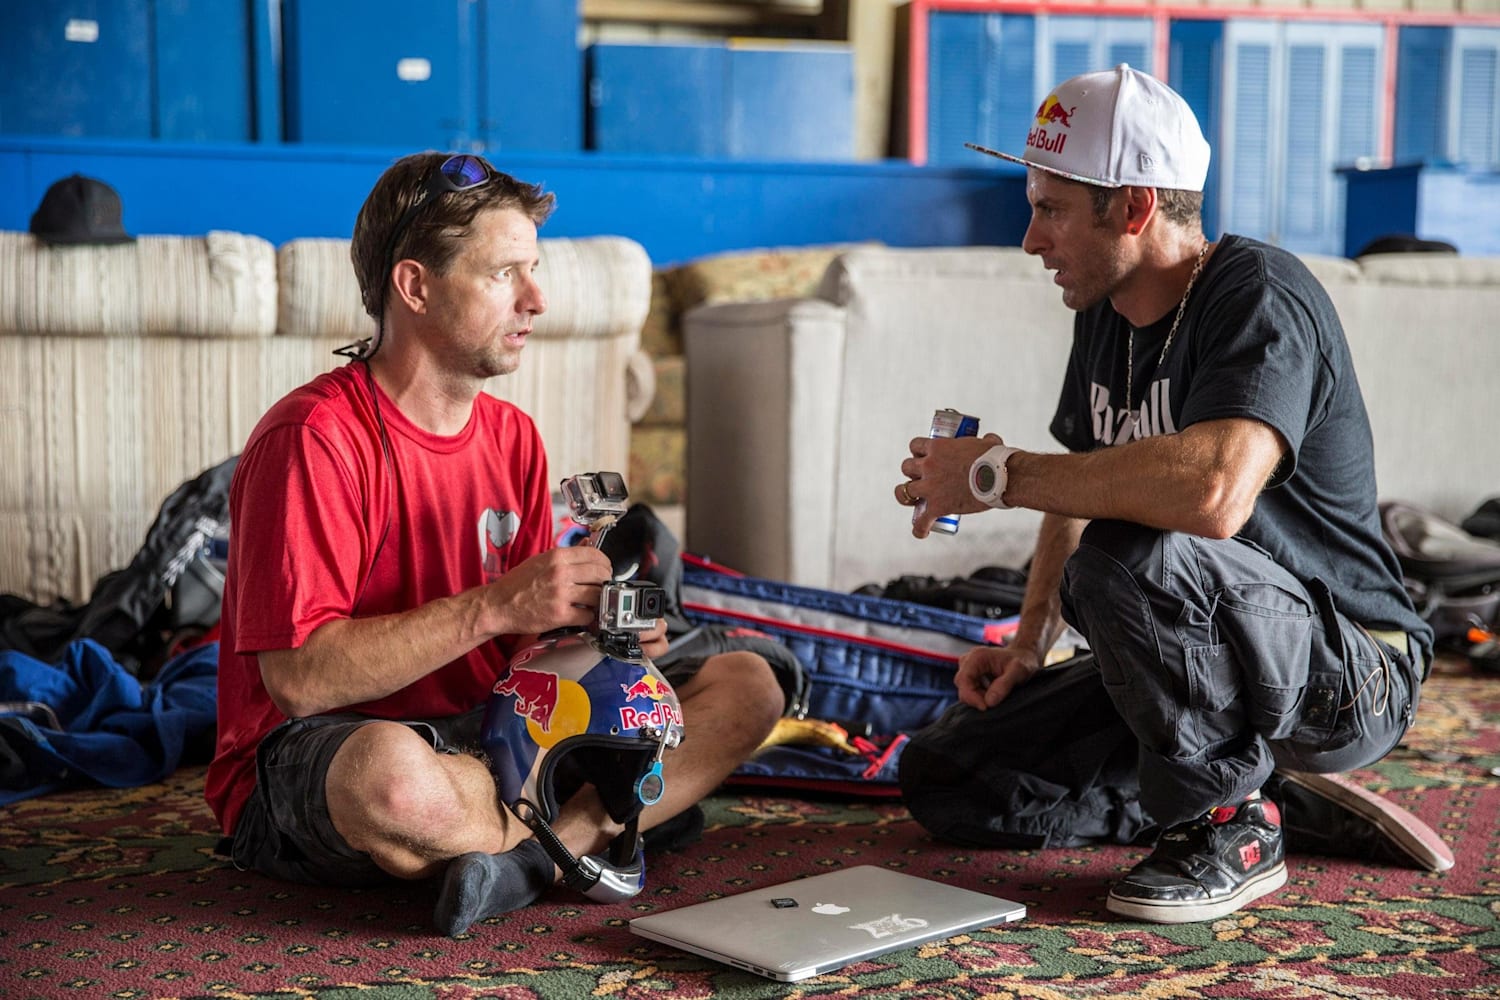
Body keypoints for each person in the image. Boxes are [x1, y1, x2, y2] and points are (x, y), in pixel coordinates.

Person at [892, 65, 1449, 924]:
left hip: (1351, 669)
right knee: (955, 776)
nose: (1031, 240)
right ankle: (1258, 793)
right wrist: (1031, 644)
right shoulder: (1104, 308)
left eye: (1050, 208)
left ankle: (1232, 823)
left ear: (1135, 208)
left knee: (1129, 552)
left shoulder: (1258, 295)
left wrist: (999, 473)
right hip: (1207, 655)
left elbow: (1214, 495)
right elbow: (1079, 487)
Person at [205, 152, 787, 937]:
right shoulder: (314, 438)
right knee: (393, 783)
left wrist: (594, 631)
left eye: (534, 271)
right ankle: (600, 824)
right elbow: (302, 681)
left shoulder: (513, 436)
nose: (537, 300)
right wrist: (497, 605)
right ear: (414, 286)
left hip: (495, 736)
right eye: (504, 274)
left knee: (748, 684)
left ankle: (537, 853)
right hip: (333, 747)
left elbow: (524, 645)